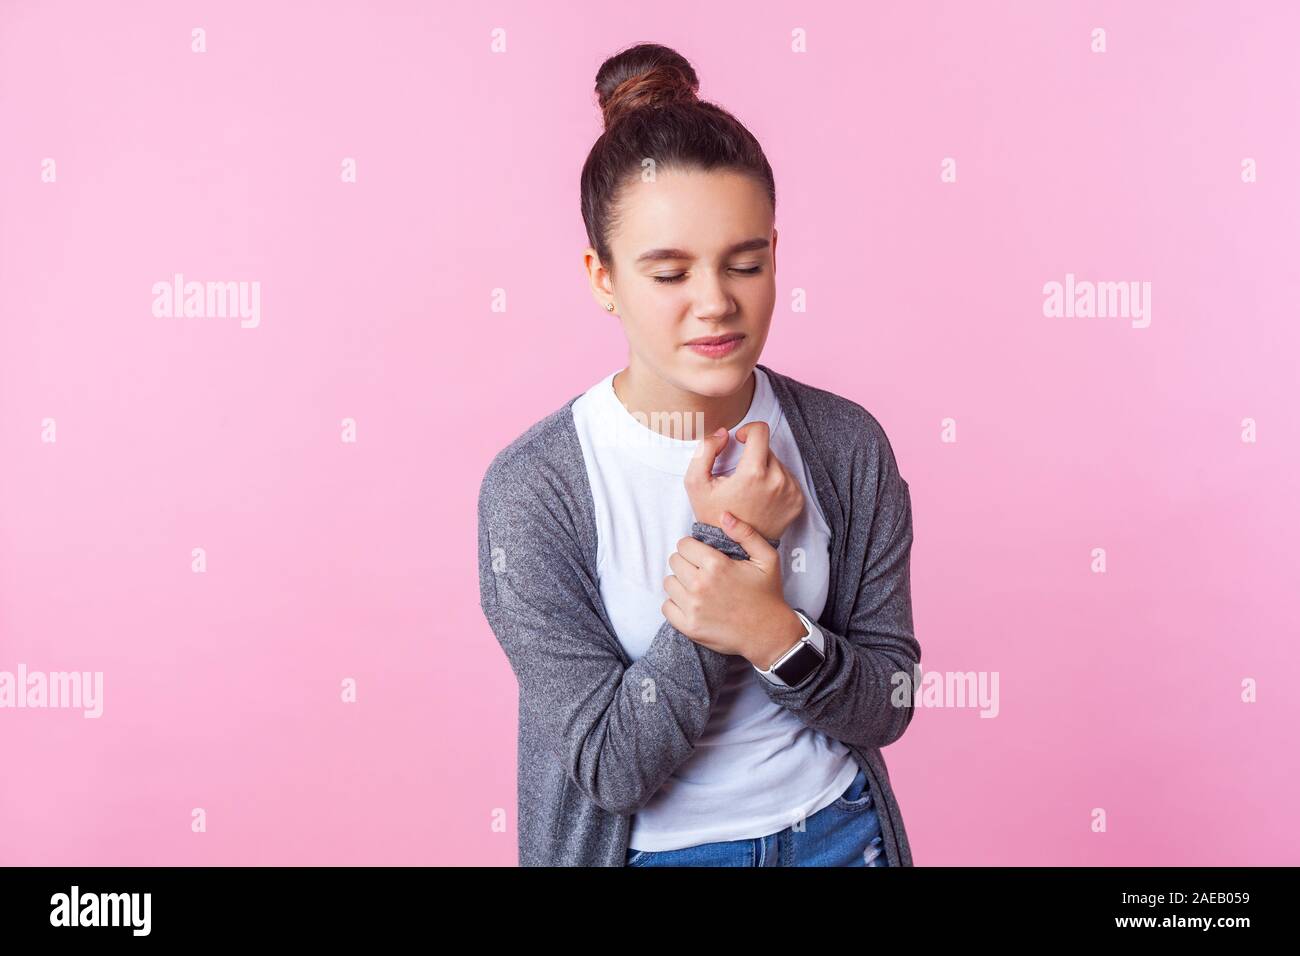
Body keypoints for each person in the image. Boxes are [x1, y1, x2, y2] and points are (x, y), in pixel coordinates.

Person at [477, 42, 919, 867]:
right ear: (602, 278)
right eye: (669, 273)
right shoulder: (534, 491)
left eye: (744, 263)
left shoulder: (845, 444)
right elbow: (611, 767)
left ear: (776, 255)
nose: (716, 303)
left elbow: (888, 704)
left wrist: (776, 633)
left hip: (840, 836)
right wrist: (731, 553)